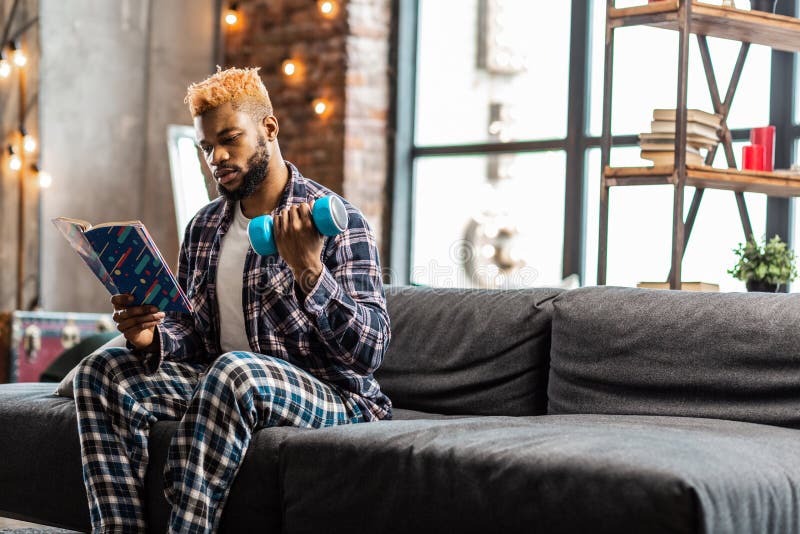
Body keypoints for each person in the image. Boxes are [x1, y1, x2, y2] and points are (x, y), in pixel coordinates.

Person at [72, 66, 392, 533]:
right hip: (225, 383)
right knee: (101, 371)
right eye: (207, 147)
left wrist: (310, 270)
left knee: (235, 369)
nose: (216, 157)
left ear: (269, 128)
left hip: (335, 397)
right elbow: (194, 331)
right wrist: (150, 337)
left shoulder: (338, 223)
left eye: (229, 139)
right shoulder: (204, 228)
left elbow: (370, 353)